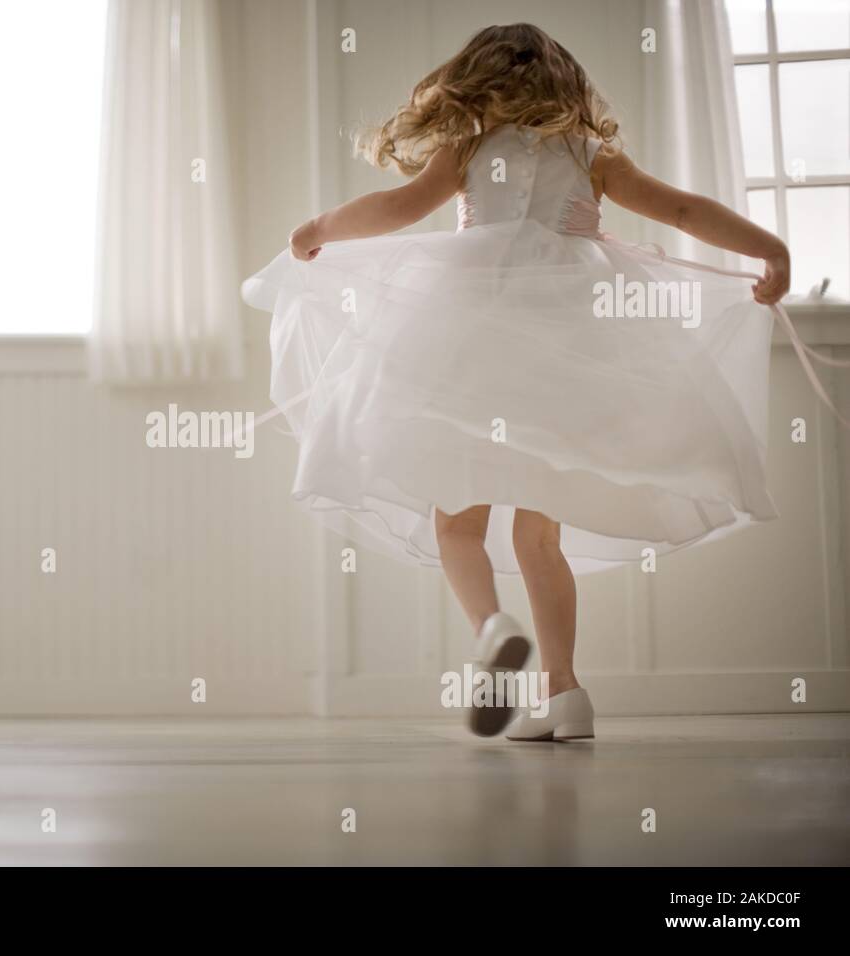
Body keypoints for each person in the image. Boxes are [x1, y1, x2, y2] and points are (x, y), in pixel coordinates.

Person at [241, 23, 847, 741]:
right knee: (540, 533)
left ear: (474, 82)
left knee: (457, 522)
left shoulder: (465, 147)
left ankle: (493, 630)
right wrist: (767, 247)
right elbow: (682, 209)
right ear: (567, 84)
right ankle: (566, 693)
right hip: (569, 342)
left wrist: (319, 228)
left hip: (467, 332)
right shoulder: (591, 155)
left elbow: (400, 209)